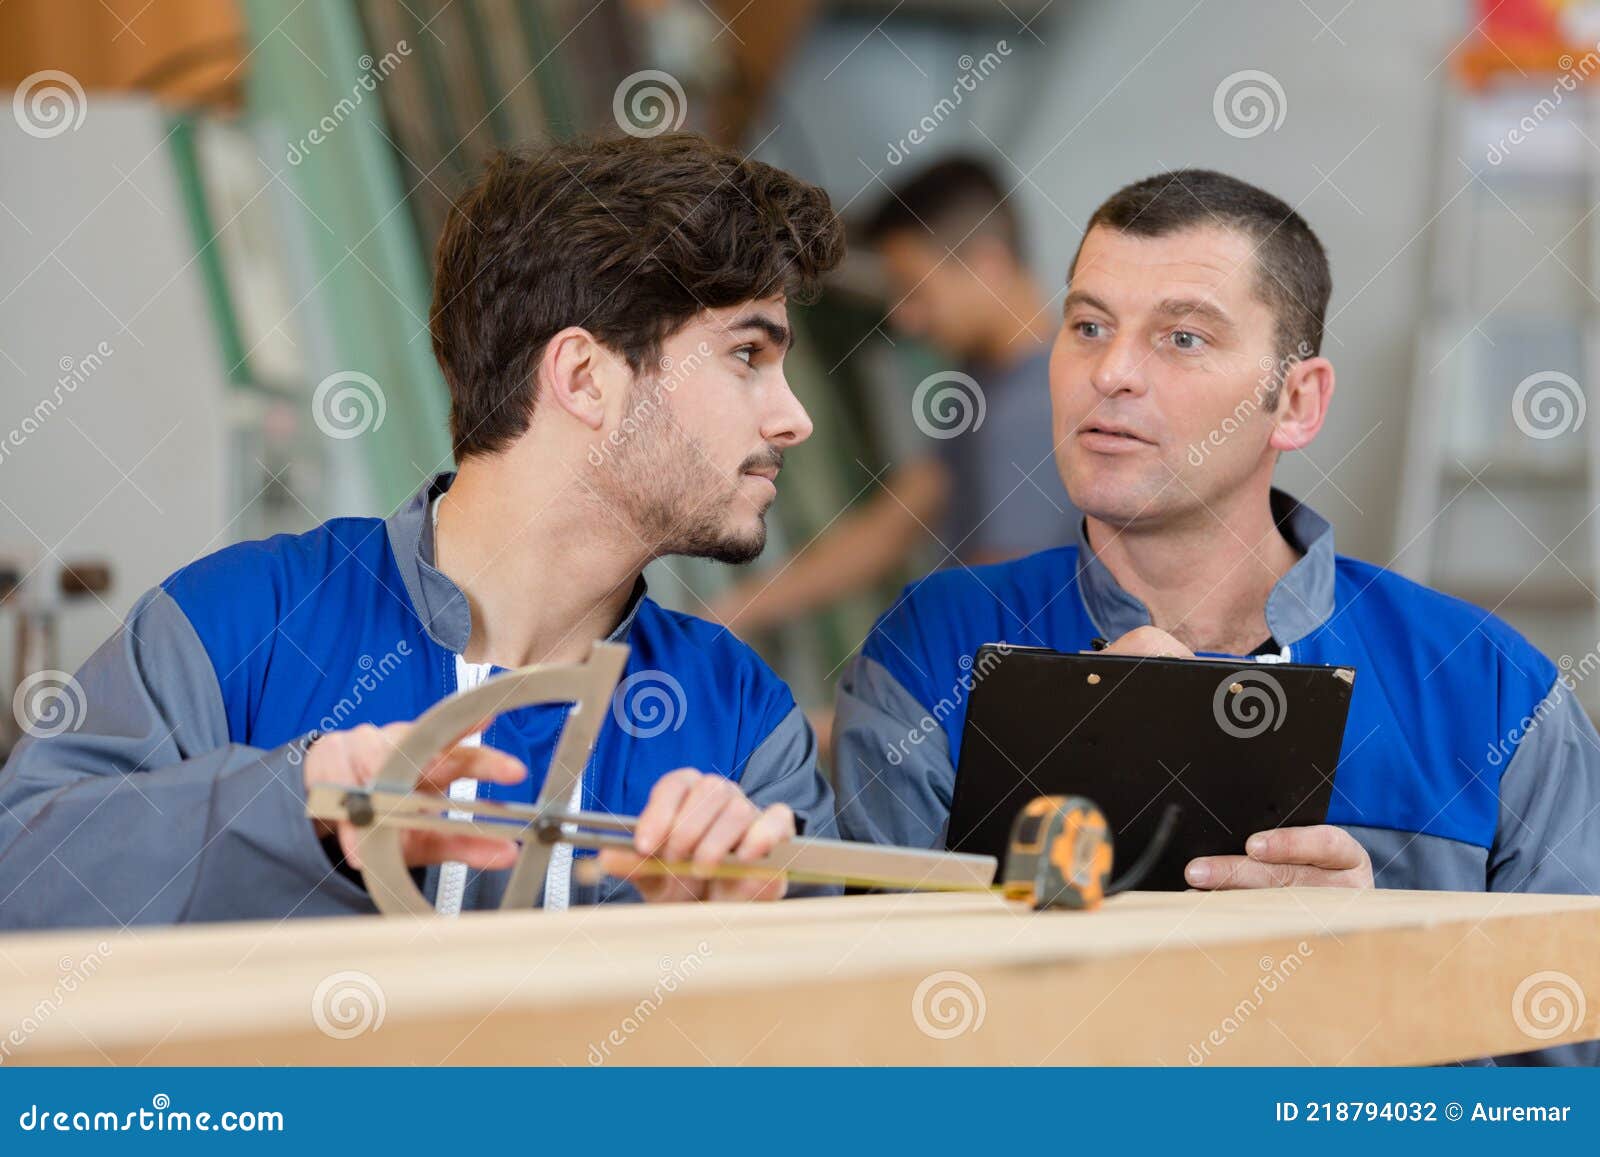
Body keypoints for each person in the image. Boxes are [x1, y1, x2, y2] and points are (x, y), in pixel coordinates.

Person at [832, 169, 1599, 1064]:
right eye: (1086, 327)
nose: (1111, 374)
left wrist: (1372, 987)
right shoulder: (929, 653)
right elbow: (878, 1054)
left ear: (1299, 402)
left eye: (1183, 337)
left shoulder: (1499, 696)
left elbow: (1561, 1097)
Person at [0, 132, 845, 927]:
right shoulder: (237, 626)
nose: (793, 418)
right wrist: (297, 806)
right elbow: (22, 883)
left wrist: (738, 939)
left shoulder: (744, 724)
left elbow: (840, 1038)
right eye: (747, 356)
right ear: (585, 378)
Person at [709, 157, 1077, 635]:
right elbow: (893, 525)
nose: (906, 317)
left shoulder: (1038, 405)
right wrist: (728, 612)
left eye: (916, 289)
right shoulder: (986, 383)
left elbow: (1001, 603)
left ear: (988, 265)